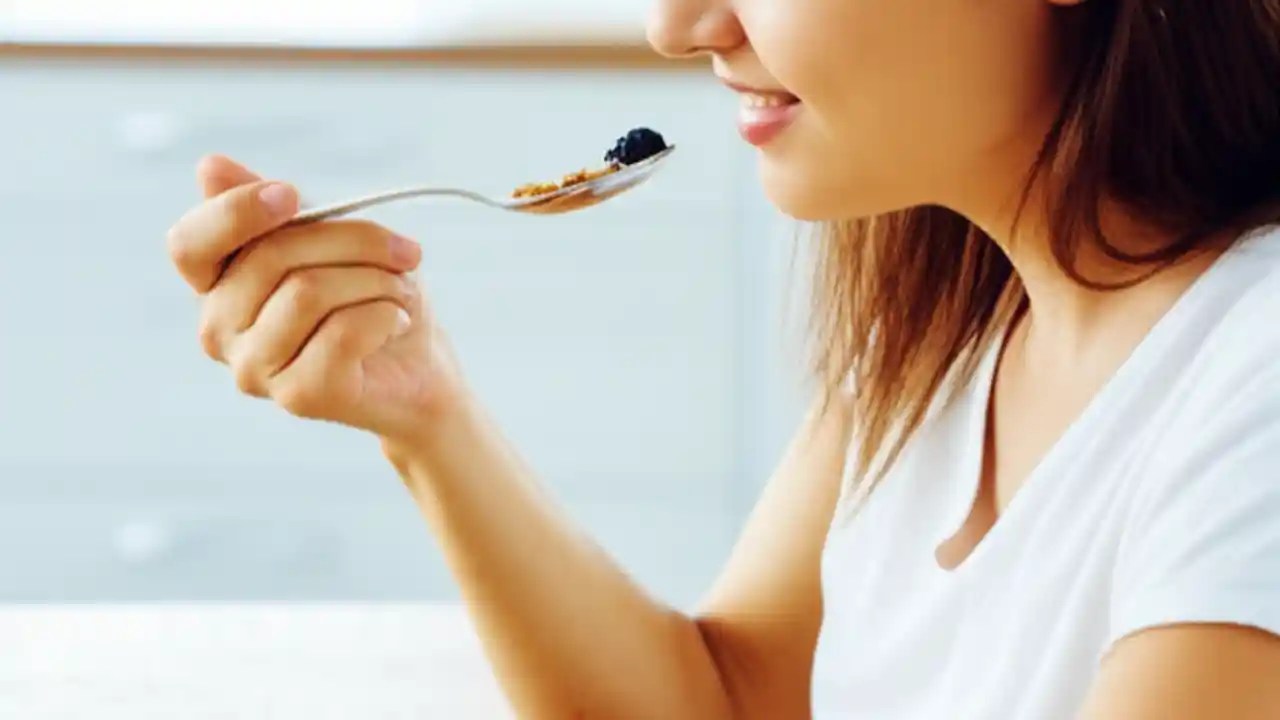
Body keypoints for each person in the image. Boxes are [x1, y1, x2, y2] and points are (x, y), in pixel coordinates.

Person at [164, 0, 1280, 717]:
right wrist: (425, 418)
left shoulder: (1254, 373)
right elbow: (728, 702)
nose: (679, 24)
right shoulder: (958, 330)